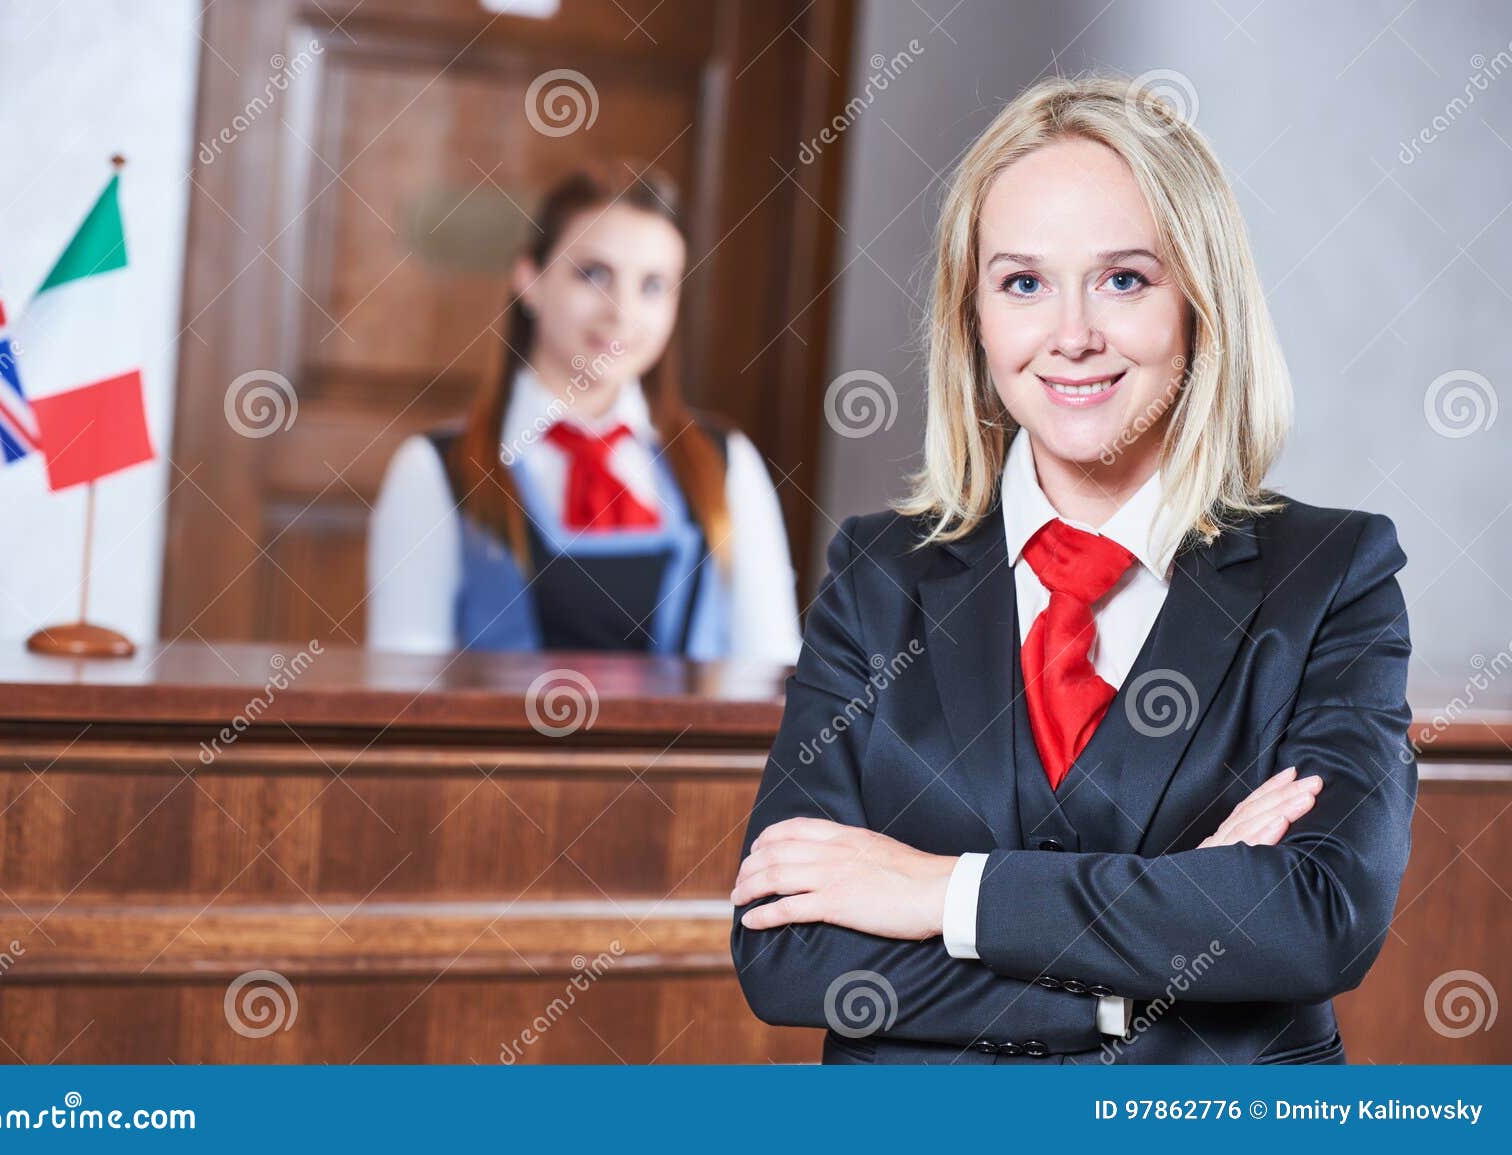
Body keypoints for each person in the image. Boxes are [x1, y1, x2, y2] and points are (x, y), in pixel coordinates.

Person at [730, 74, 1414, 1064]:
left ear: (1200, 303)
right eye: (1023, 283)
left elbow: (1317, 916)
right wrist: (1161, 955)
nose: (1073, 335)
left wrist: (942, 891)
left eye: (1124, 279)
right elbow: (785, 950)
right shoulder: (877, 575)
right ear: (972, 316)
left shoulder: (1331, 574)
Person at [366, 162, 801, 662]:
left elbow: (773, 668)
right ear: (529, 279)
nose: (621, 312)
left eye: (653, 286)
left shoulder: (726, 462)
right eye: (594, 275)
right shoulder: (433, 470)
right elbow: (404, 687)